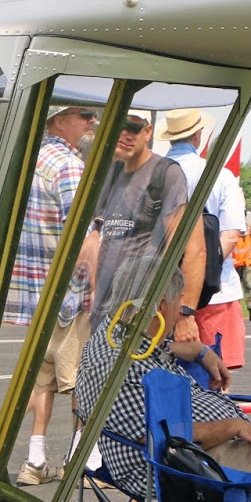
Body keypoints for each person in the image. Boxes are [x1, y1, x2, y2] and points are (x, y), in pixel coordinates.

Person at [74, 262, 251, 502]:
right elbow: (162, 439)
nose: (181, 311)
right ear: (159, 306)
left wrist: (199, 351)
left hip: (200, 450)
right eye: (179, 300)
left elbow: (153, 352)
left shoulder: (121, 336)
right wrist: (234, 427)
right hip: (182, 466)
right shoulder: (115, 365)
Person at [5, 106, 97, 486]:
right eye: (84, 115)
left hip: (34, 291)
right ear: (59, 122)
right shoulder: (70, 165)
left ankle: (36, 458)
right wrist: (91, 284)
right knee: (82, 376)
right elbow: (78, 232)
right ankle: (83, 459)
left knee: (42, 379)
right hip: (68, 291)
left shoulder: (31, 160)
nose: (92, 121)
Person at [78, 113, 205, 342]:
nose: (126, 134)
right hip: (103, 311)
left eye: (134, 128)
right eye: (121, 126)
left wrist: (185, 314)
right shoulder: (112, 172)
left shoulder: (166, 174)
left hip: (141, 313)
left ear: (147, 133)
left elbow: (193, 250)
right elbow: (99, 234)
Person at [155, 108, 247, 368]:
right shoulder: (221, 175)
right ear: (198, 135)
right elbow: (230, 235)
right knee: (217, 375)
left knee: (161, 372)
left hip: (161, 294)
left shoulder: (154, 174)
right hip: (216, 292)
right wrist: (200, 278)